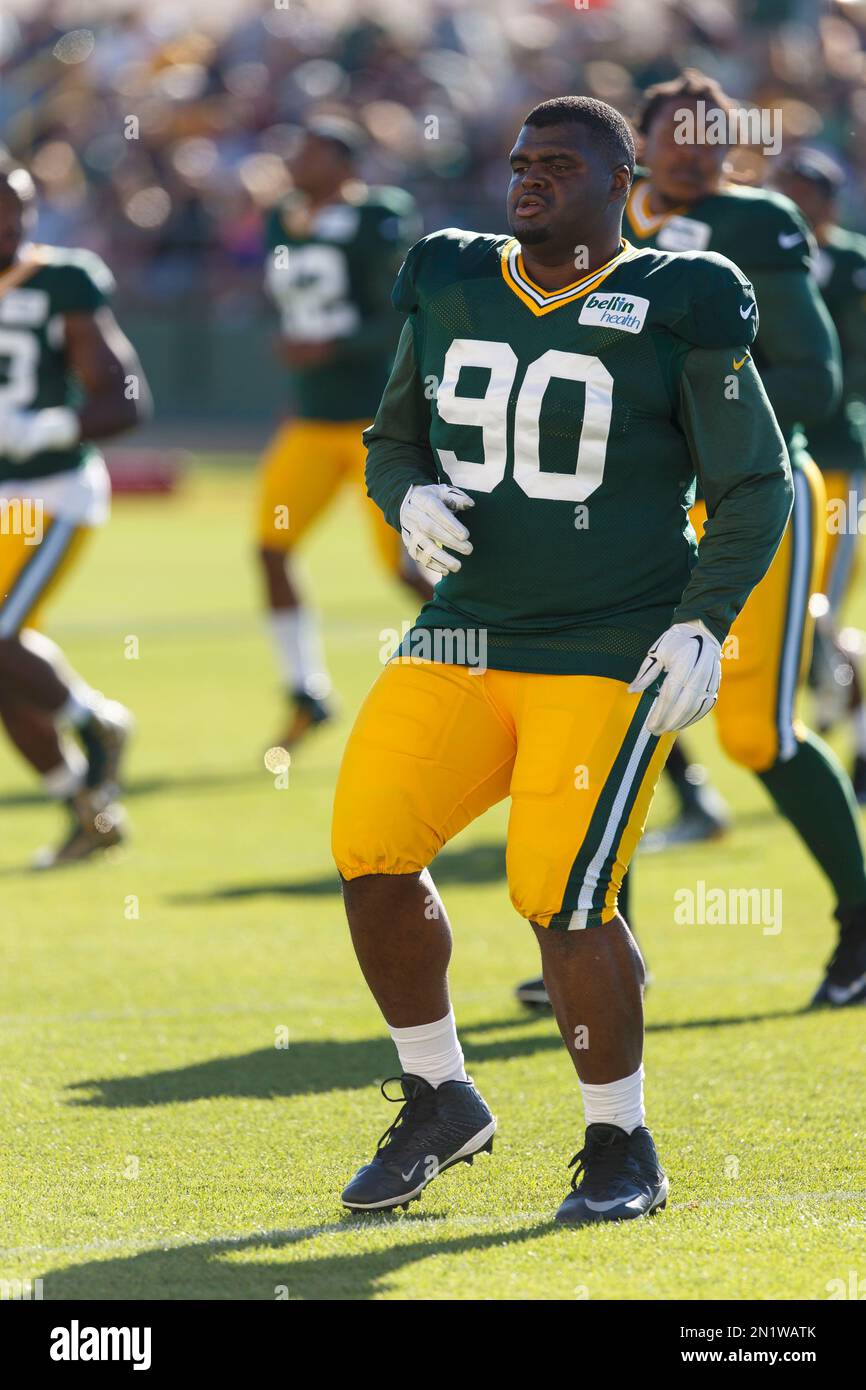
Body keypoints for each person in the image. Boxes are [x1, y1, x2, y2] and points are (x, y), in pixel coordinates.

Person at [330, 97, 792, 1223]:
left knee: (561, 899)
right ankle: (439, 1094)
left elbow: (754, 481)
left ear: (620, 180)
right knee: (369, 848)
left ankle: (618, 1137)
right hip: (463, 625)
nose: (527, 178)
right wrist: (405, 494)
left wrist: (703, 620)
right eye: (518, 160)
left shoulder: (678, 297)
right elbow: (391, 435)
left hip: (607, 640)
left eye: (557, 163)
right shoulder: (448, 274)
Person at [518, 71, 866, 1012]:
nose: (697, 152)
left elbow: (815, 375)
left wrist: (688, 421)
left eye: (714, 136)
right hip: (632, 504)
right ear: (638, 144)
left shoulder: (758, 224)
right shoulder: (599, 223)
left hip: (748, 496)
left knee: (757, 735)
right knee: (604, 710)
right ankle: (599, 944)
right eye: (679, 134)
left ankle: (862, 920)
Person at [255, 118, 429, 751]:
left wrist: (332, 343)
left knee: (409, 569)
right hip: (309, 420)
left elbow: (399, 308)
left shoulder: (378, 214)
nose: (294, 161)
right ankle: (306, 690)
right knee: (271, 546)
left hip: (376, 423)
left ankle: (491, 659)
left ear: (341, 160)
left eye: (308, 151)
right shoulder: (283, 219)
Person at [0, 162, 149, 867]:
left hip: (49, 492)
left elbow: (124, 401)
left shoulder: (63, 280)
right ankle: (85, 811)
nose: (10, 224)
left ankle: (98, 722)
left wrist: (45, 427)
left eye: (19, 209)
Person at [775, 149, 866, 801]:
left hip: (838, 460)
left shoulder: (852, 266)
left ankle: (855, 732)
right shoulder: (765, 260)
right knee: (798, 619)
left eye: (806, 195)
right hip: (782, 461)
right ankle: (843, 701)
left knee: (820, 614)